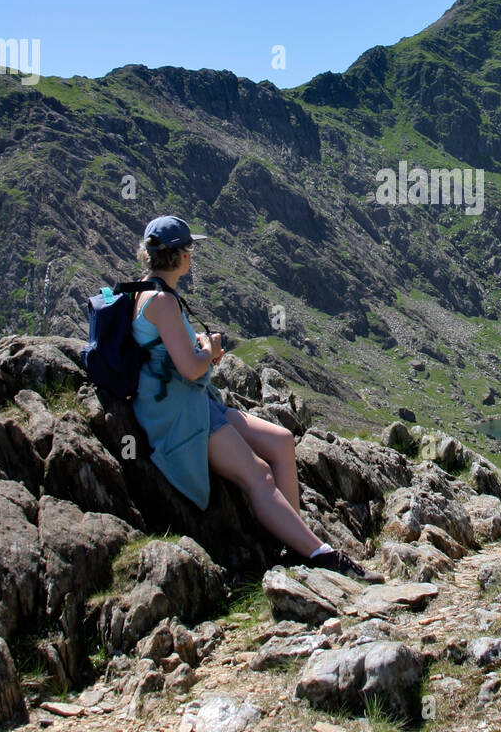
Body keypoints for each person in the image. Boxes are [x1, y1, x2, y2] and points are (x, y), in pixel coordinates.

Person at [130, 215, 372, 579]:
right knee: (257, 474)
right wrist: (209, 352)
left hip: (196, 402)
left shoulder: (147, 292)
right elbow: (189, 369)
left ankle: (294, 541)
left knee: (281, 441)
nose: (192, 256)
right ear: (179, 256)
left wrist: (200, 350)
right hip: (182, 412)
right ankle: (320, 556)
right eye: (190, 249)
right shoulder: (161, 301)